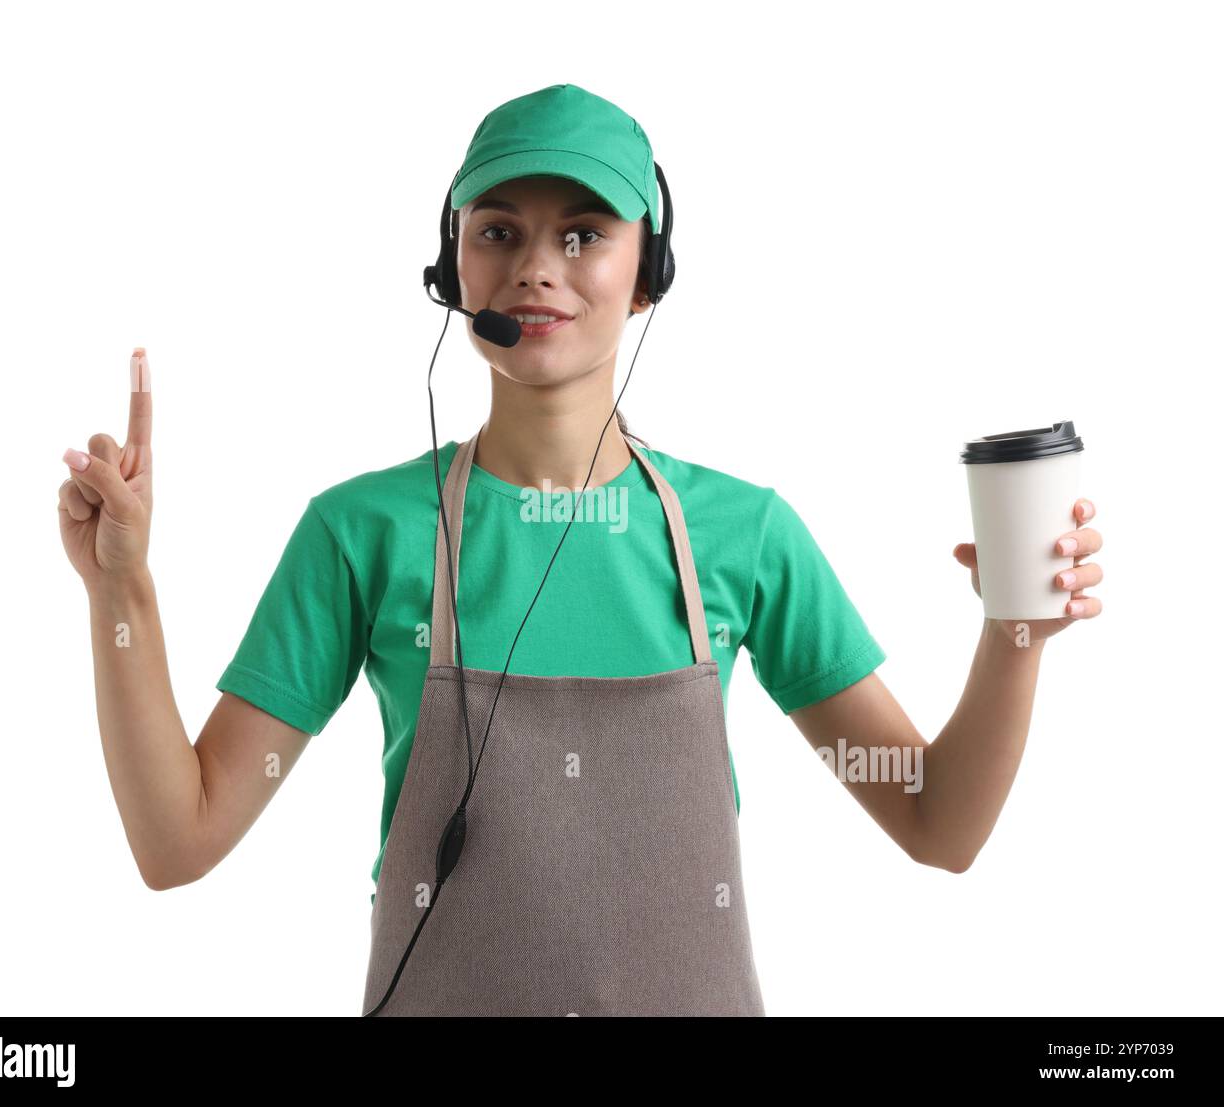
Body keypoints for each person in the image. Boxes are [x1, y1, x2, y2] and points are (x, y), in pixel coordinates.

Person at [57, 83, 1105, 1016]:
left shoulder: (743, 536)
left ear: (647, 273)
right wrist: (124, 592)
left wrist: (1017, 635)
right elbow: (177, 841)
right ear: (449, 264)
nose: (533, 270)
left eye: (583, 234)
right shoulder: (359, 534)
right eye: (499, 231)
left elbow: (935, 825)